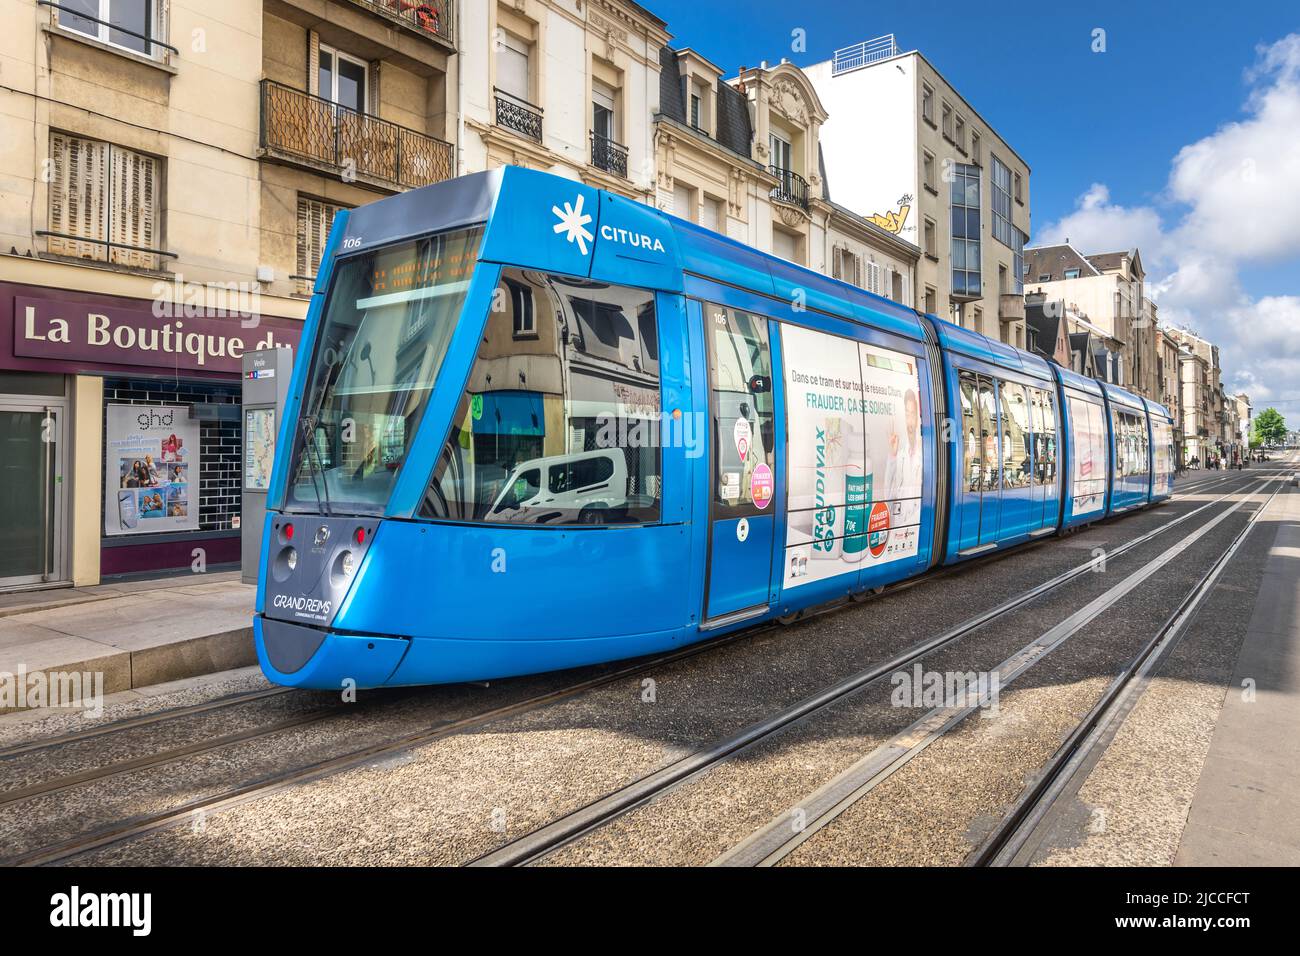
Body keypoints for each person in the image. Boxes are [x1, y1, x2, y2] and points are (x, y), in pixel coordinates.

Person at [884, 389, 924, 503]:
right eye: (907, 414)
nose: (910, 422)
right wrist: (893, 455)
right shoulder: (901, 455)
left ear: (918, 419)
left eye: (913, 415)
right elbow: (888, 496)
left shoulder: (924, 455)